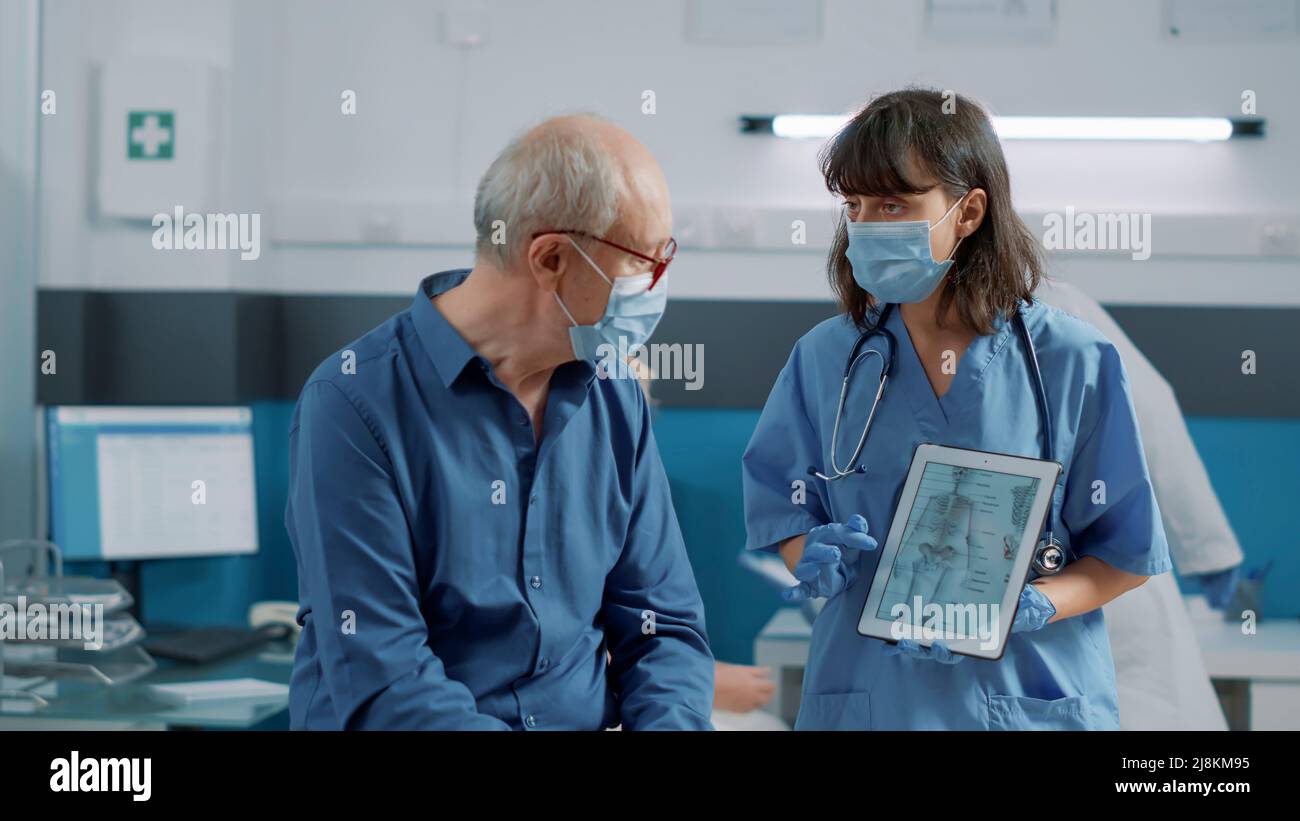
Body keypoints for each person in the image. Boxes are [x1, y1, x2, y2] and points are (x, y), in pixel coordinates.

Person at [742, 88, 1171, 730]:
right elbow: (785, 510)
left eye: (895, 204)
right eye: (855, 206)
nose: (868, 225)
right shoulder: (824, 359)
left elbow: (1124, 555)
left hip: (1023, 697)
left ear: (968, 211)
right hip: (869, 698)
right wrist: (811, 556)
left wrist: (1035, 605)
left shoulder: (1072, 360)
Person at [284, 114, 714, 730]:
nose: (655, 285)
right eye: (645, 263)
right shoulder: (352, 402)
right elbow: (387, 680)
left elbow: (662, 628)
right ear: (552, 258)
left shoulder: (614, 395)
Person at [1035, 278, 1241, 730]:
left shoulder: (1047, 303)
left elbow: (1147, 411)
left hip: (1109, 573)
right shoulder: (881, 325)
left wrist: (1207, 545)